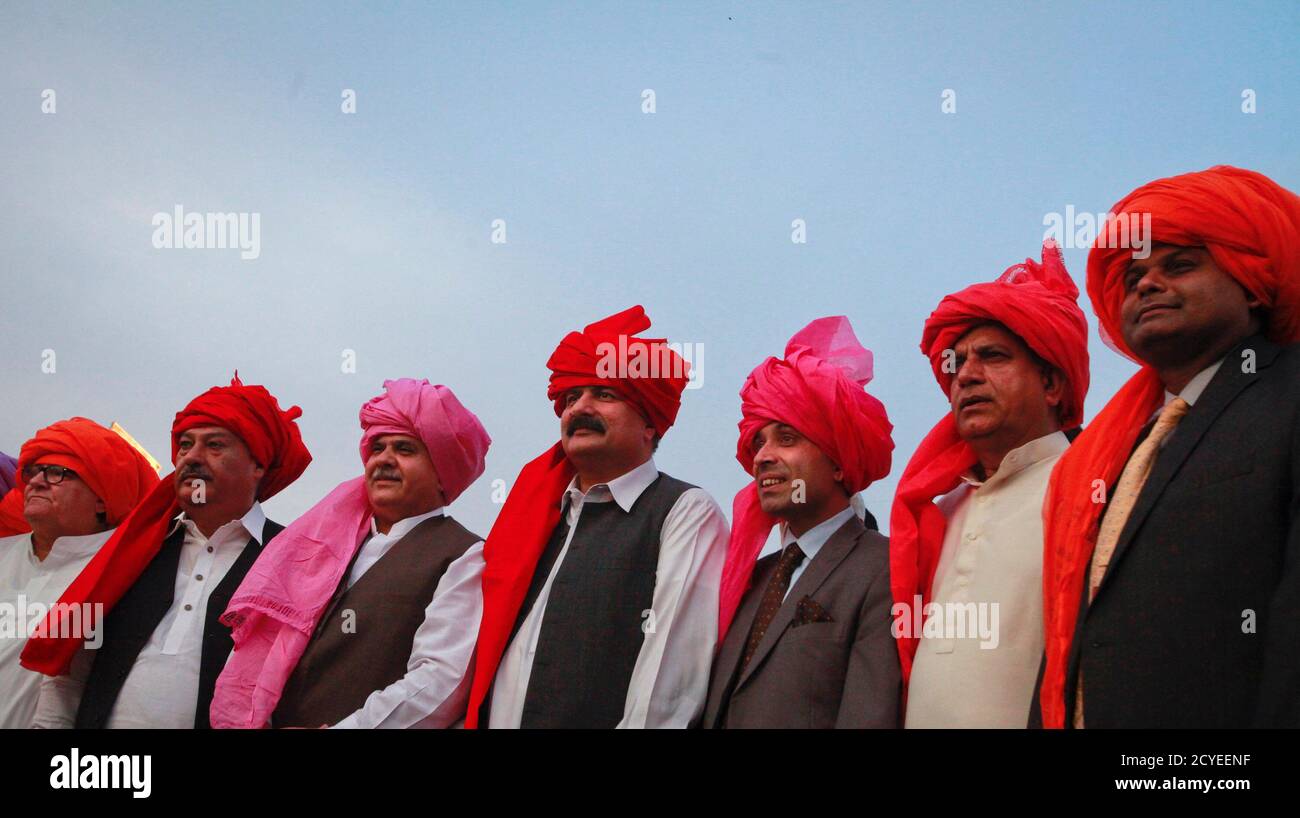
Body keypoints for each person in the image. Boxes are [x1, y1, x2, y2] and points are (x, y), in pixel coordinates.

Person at [1038, 165, 1300, 728]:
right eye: (1133, 277)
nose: (1147, 284)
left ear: (1251, 284)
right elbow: (1073, 630)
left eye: (1178, 265)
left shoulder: (1289, 396)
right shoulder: (1108, 453)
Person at [465, 305, 728, 728]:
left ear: (650, 425)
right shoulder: (537, 519)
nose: (580, 408)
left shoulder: (684, 511)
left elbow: (670, 683)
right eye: (572, 397)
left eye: (604, 395)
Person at [26, 375, 311, 729]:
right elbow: (70, 669)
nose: (191, 456)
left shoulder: (294, 559)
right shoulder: (137, 550)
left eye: (214, 445)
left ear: (258, 464)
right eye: (185, 445)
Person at [211, 378, 490, 729]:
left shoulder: (463, 556)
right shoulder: (325, 546)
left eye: (405, 449)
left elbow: (440, 683)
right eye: (377, 448)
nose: (384, 460)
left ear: (442, 473)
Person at [892, 241, 1089, 728]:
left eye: (992, 357)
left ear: (1051, 384)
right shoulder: (939, 511)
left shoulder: (1092, 486)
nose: (967, 376)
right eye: (956, 364)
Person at [703, 316, 897, 728]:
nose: (762, 456)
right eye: (759, 441)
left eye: (787, 438)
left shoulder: (886, 567)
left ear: (841, 463)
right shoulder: (751, 579)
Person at [0, 419, 156, 727]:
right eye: (33, 470)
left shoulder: (125, 573)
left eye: (57, 472)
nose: (36, 481)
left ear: (102, 498)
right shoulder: (4, 552)